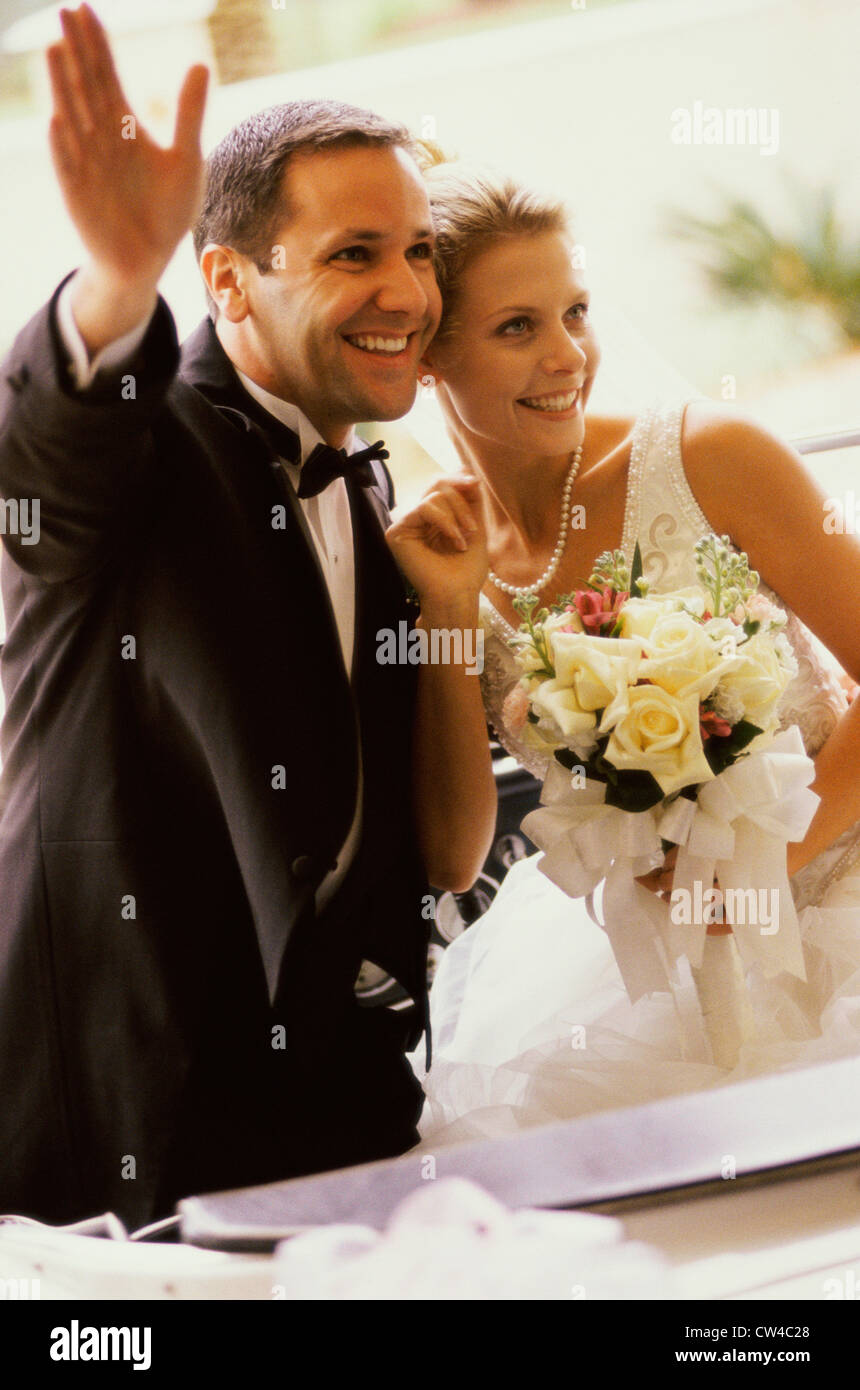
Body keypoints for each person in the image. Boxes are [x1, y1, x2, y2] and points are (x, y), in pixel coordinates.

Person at [0, 5, 493, 1225]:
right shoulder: (152, 448)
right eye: (352, 253)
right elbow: (39, 470)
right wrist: (116, 280)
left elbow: (413, 846)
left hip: (341, 1107)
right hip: (127, 1111)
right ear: (226, 279)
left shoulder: (381, 492)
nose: (404, 290)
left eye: (418, 251)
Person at [401, 151, 860, 1143]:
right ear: (426, 354)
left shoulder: (711, 458)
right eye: (515, 327)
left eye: (573, 311)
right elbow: (451, 850)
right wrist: (442, 611)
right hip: (646, 958)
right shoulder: (434, 557)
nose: (565, 355)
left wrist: (771, 868)